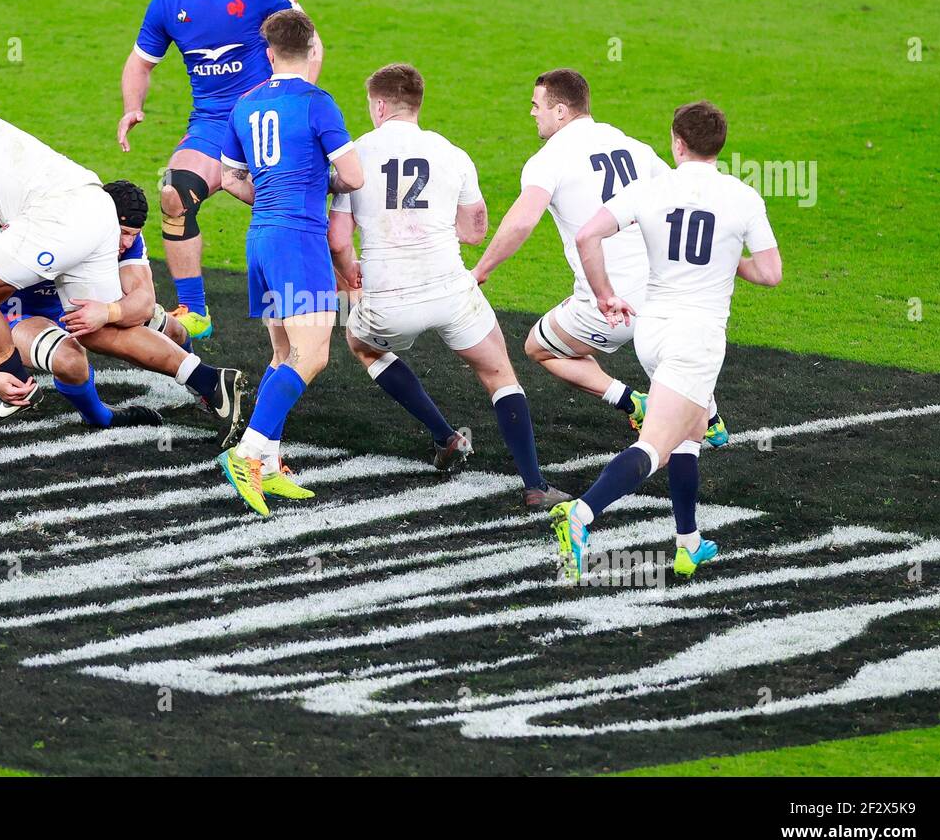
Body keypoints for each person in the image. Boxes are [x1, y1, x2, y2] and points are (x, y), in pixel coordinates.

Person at [0, 104, 247, 446]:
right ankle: (211, 382)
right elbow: (3, 229)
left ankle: (13, 386)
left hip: (56, 216)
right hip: (90, 209)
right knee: (98, 331)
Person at [554, 101, 782, 581]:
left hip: (651, 330)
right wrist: (728, 262)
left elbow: (587, 237)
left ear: (677, 143)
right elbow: (770, 273)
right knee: (657, 445)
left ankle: (688, 543)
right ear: (720, 146)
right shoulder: (743, 197)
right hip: (695, 339)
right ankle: (584, 513)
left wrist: (604, 295)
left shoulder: (649, 190)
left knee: (691, 433)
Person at [327, 63, 569, 510]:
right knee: (499, 374)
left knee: (362, 344)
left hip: (388, 299)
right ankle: (534, 484)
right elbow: (475, 230)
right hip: (452, 291)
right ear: (416, 104)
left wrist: (352, 273)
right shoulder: (452, 153)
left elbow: (338, 240)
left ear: (378, 105)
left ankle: (443, 435)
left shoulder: (354, 156)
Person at [472, 69, 729, 446]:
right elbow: (683, 195)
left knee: (538, 347)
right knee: (671, 355)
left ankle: (633, 402)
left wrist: (481, 268)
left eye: (536, 105)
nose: (532, 113)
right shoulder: (631, 145)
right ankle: (710, 417)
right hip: (668, 292)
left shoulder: (549, 159)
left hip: (611, 303)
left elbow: (522, 223)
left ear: (560, 111)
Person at [117, 0, 320, 340]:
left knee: (290, 208)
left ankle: (340, 286)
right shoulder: (169, 0)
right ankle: (195, 311)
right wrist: (132, 106)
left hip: (265, 118)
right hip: (212, 123)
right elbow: (139, 62)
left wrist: (298, 102)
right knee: (174, 192)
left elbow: (310, 41)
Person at [215, 10, 362, 516]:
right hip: (300, 241)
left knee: (283, 353)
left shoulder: (245, 103)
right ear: (312, 51)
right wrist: (320, 181)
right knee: (313, 353)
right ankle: (248, 453)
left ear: (270, 53)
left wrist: (274, 192)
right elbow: (354, 174)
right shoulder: (318, 103)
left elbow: (231, 179)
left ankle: (271, 466)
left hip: (260, 239)